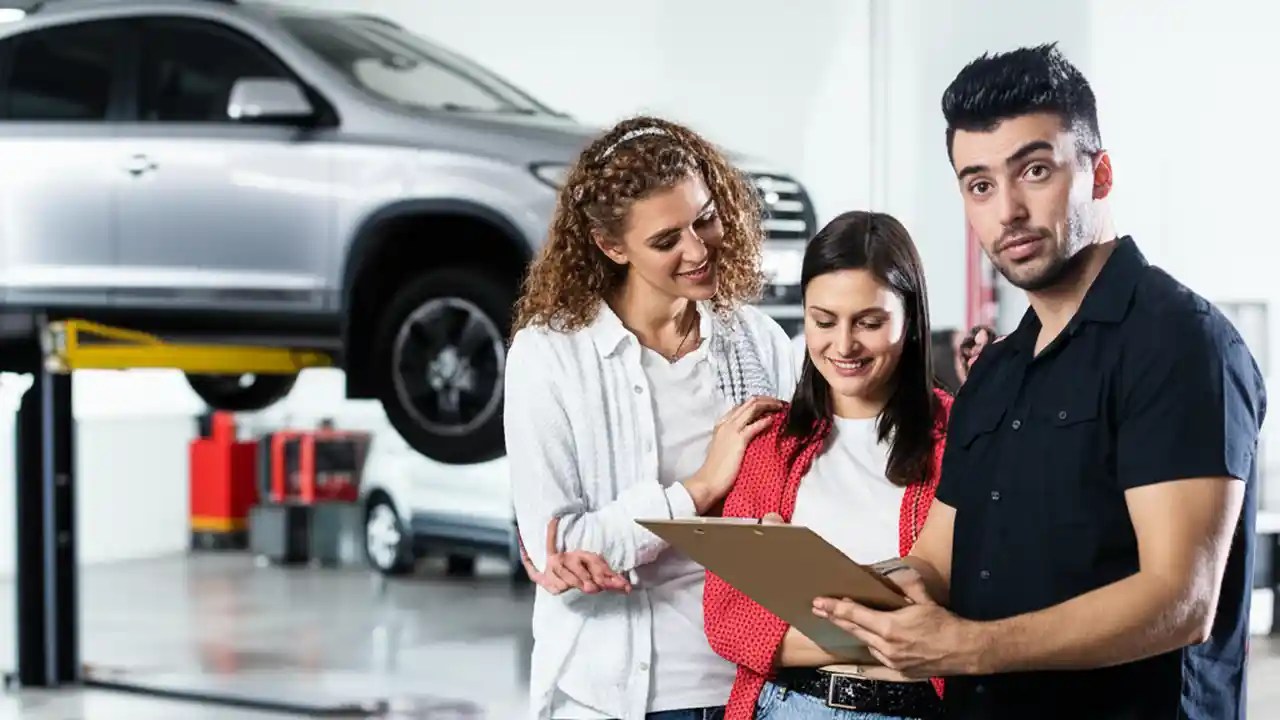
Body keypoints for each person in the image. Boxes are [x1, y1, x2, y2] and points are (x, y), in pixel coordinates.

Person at [811, 44, 1267, 719]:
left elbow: (1180, 600)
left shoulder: (1178, 343)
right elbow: (936, 560)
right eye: (980, 184)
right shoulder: (995, 372)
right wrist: (831, 590)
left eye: (1035, 170)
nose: (1008, 210)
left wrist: (969, 648)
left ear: (1100, 173)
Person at [505, 115, 799, 720]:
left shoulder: (761, 343)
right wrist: (699, 491)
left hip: (747, 689)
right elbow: (562, 544)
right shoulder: (551, 356)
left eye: (706, 219)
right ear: (612, 247)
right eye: (667, 241)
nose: (698, 249)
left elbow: (793, 519)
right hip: (608, 696)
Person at [703, 210, 949, 720]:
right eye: (823, 321)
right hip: (788, 706)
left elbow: (973, 603)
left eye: (870, 322)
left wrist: (809, 616)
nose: (843, 346)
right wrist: (893, 631)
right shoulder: (771, 445)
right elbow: (726, 619)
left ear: (911, 319)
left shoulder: (961, 436)